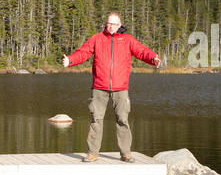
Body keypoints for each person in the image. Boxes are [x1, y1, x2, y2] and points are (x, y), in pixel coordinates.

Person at [62, 12, 162, 162]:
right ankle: (92, 153)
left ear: (120, 25)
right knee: (96, 120)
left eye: (115, 24)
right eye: (109, 23)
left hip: (121, 88)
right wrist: (70, 60)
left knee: (123, 120)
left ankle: (126, 154)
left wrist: (153, 58)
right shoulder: (97, 38)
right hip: (99, 87)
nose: (111, 26)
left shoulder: (127, 40)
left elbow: (141, 51)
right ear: (105, 24)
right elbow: (83, 53)